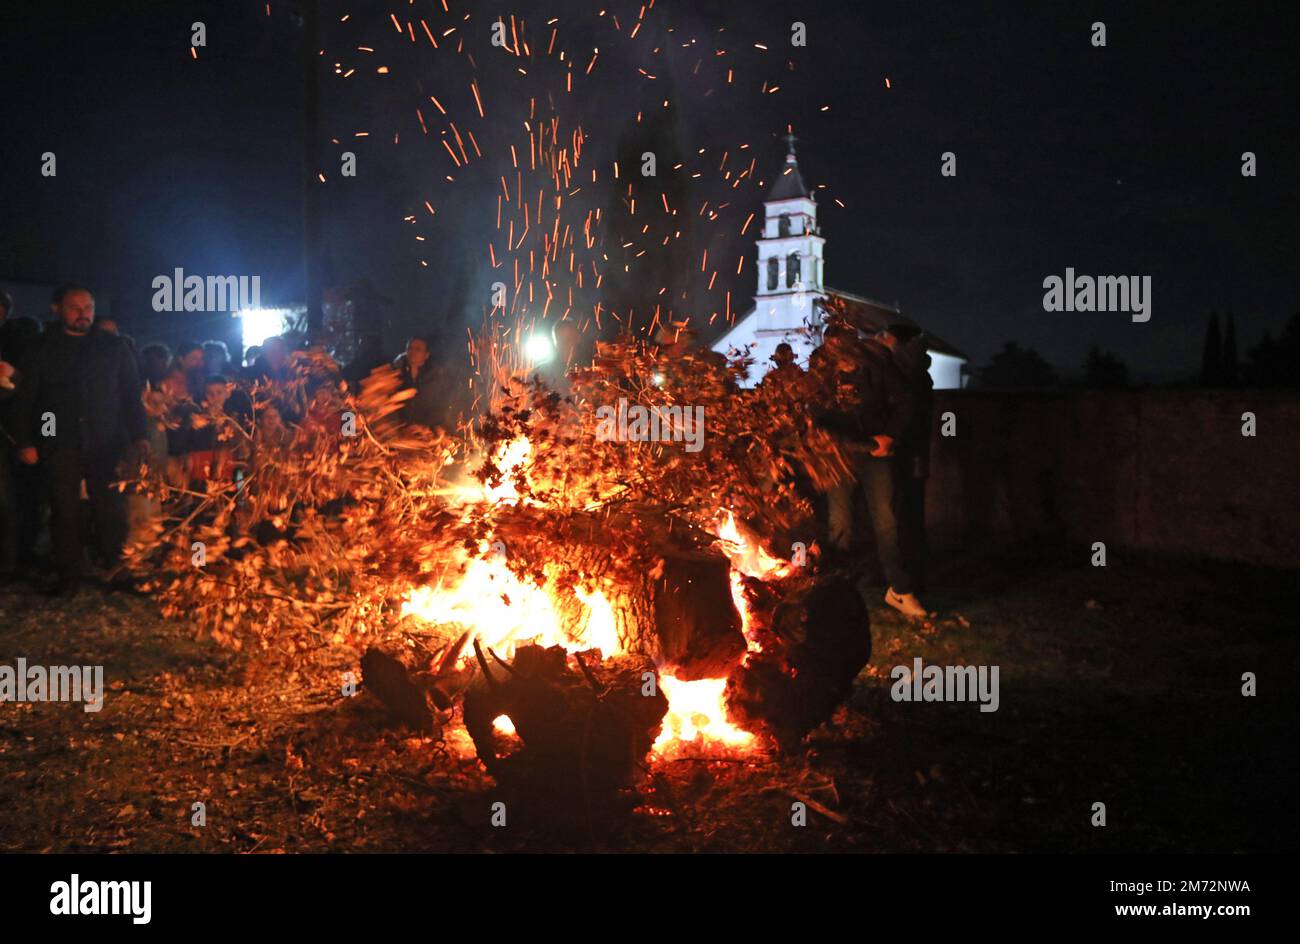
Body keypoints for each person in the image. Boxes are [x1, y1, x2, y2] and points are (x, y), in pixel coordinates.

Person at [11, 284, 148, 596]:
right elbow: (29, 400)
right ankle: (68, 575)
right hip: (59, 440)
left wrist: (139, 436)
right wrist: (27, 442)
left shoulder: (112, 347)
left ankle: (117, 569)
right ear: (57, 309)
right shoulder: (41, 348)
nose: (83, 314)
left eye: (88, 307)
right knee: (64, 510)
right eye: (75, 308)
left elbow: (130, 395)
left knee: (111, 509)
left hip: (106, 442)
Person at [813, 319, 928, 619]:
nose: (839, 356)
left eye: (844, 349)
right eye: (832, 349)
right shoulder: (822, 375)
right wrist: (824, 439)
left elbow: (906, 402)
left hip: (875, 455)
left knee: (886, 521)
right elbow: (811, 411)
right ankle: (835, 591)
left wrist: (890, 435)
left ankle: (899, 591)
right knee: (839, 524)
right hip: (839, 457)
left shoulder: (876, 367)